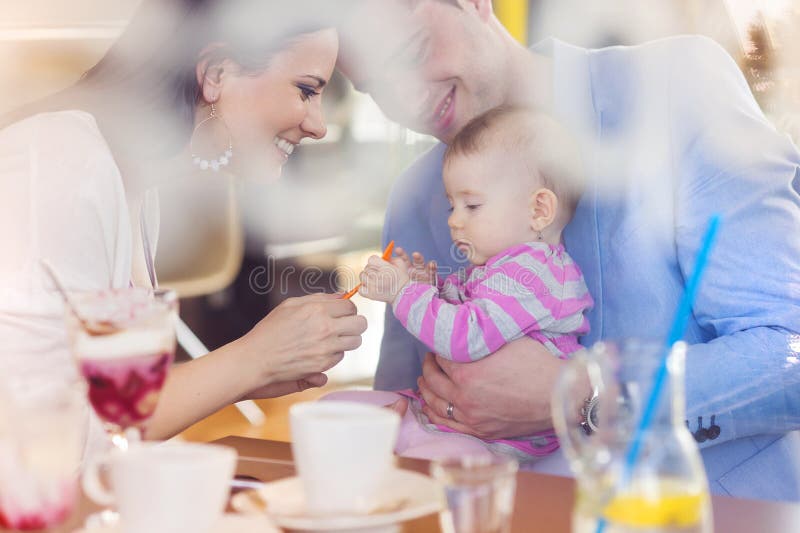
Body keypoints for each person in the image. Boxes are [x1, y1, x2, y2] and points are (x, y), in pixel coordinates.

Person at [340, 0, 800, 500]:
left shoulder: (677, 87)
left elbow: (789, 351)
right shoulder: (416, 196)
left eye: (409, 53)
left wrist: (583, 394)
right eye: (377, 87)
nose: (408, 102)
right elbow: (405, 424)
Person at [0, 0, 366, 457]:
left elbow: (114, 414)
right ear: (215, 74)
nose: (317, 126)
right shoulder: (61, 166)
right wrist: (252, 360)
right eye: (307, 90)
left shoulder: (135, 185)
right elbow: (41, 441)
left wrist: (257, 369)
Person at [353, 105, 593, 461]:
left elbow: (466, 338)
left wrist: (404, 293)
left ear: (539, 210)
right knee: (342, 407)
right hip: (459, 424)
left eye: (472, 206)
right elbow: (477, 311)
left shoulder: (532, 275)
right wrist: (430, 288)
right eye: (452, 206)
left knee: (410, 462)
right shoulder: (508, 267)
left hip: (498, 445)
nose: (454, 221)